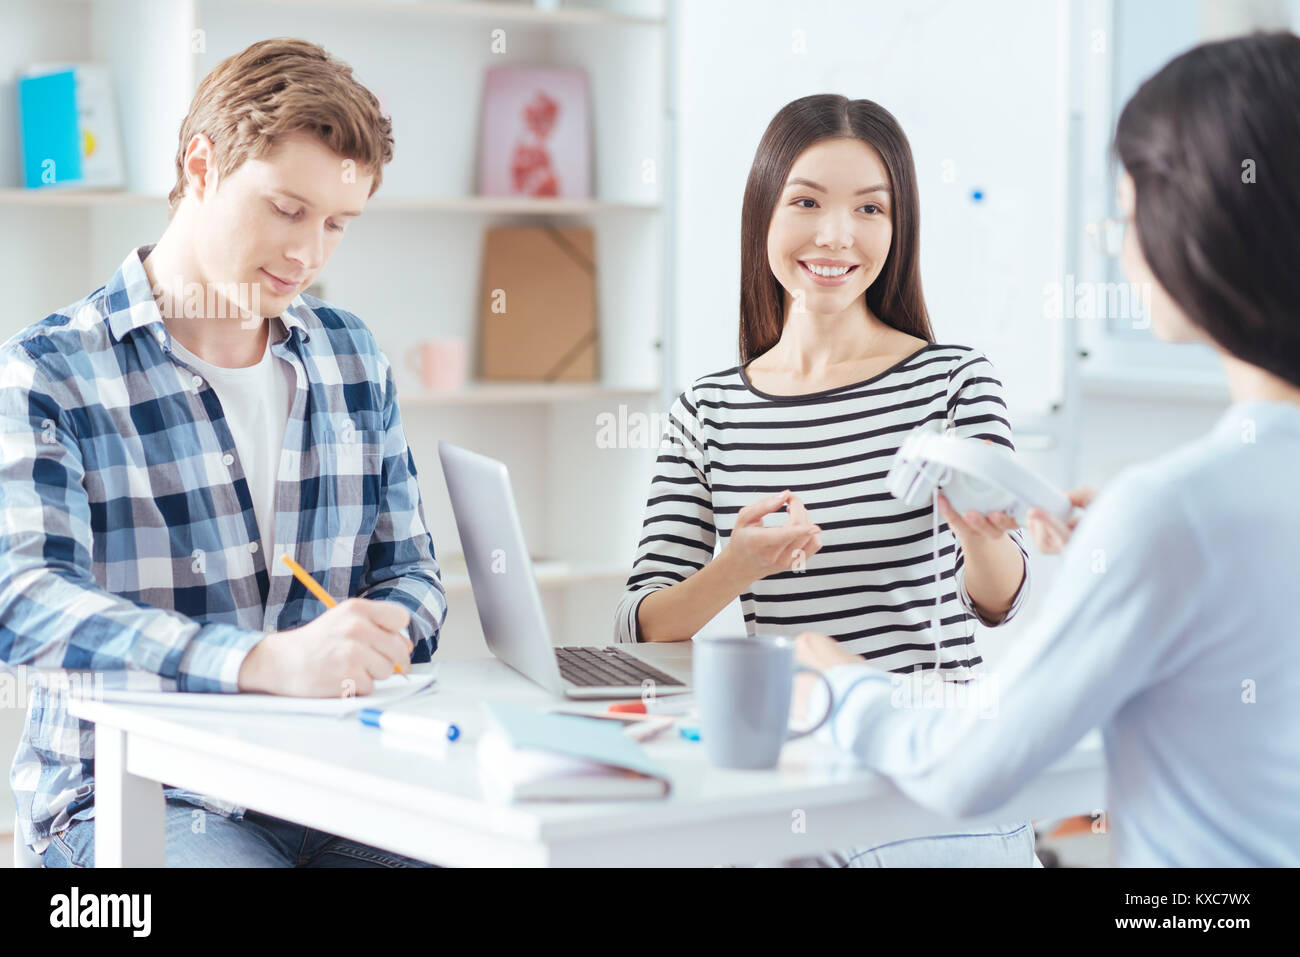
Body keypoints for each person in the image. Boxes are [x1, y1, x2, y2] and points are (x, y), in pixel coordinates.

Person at [794, 30, 1300, 866]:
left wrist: (842, 685)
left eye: (1129, 214)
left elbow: (964, 768)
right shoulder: (1182, 515)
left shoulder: (1175, 511)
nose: (1125, 246)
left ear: (1198, 223)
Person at [0, 38, 447, 867]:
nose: (308, 254)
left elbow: (413, 572)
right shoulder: (51, 367)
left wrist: (384, 633)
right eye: (286, 209)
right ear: (201, 166)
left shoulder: (350, 355)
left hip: (336, 783)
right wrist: (259, 662)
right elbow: (24, 604)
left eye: (337, 224)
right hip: (128, 798)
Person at [614, 93, 1042, 865]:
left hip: (932, 774)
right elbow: (642, 625)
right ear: (763, 215)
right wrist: (737, 567)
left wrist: (979, 532)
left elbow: (1000, 598)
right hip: (795, 783)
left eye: (869, 209)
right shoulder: (707, 409)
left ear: (897, 226)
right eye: (806, 200)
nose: (836, 235)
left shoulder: (952, 382)